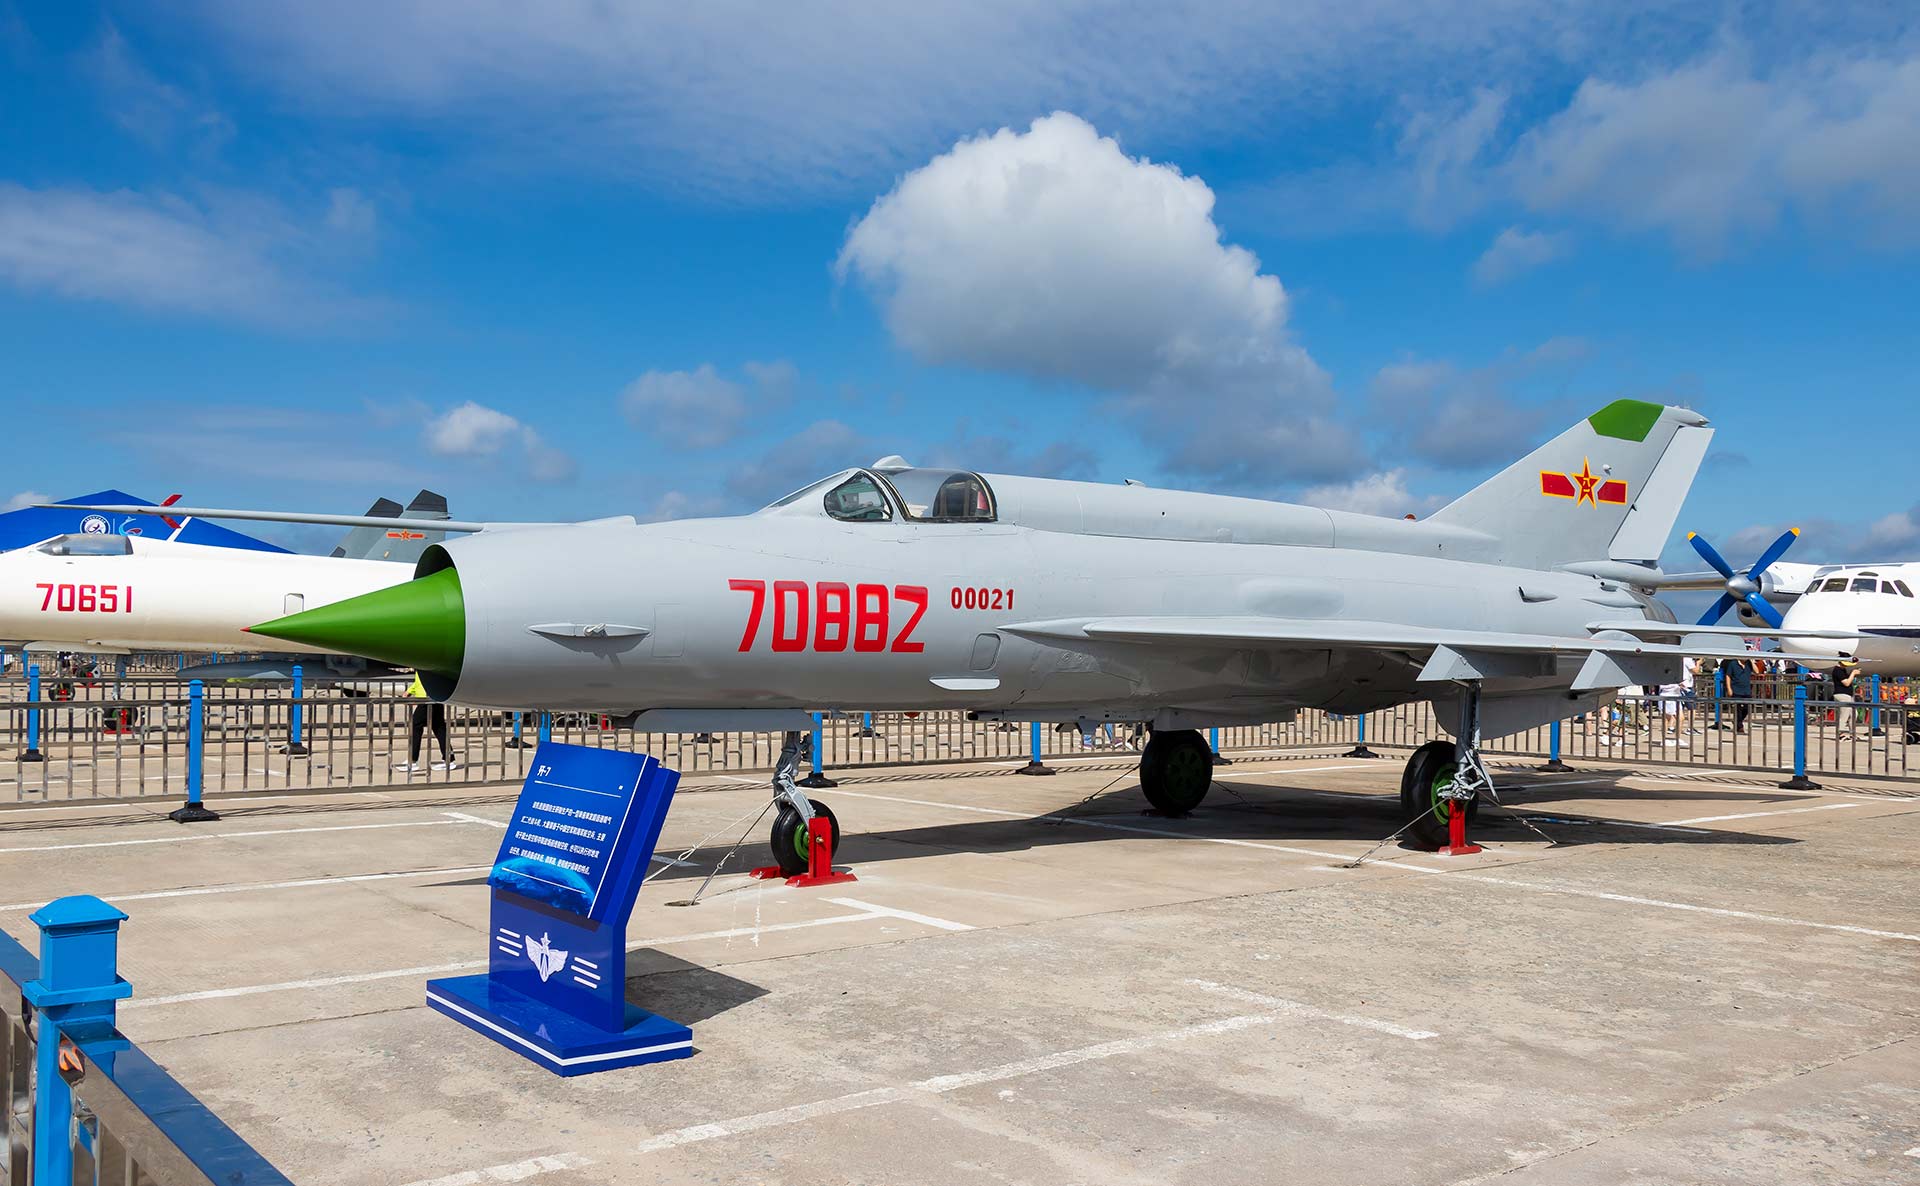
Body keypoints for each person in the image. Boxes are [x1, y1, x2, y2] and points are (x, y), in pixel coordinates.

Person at [397, 673, 458, 772]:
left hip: (427, 699)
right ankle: (449, 760)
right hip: (434, 697)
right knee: (439, 729)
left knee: (415, 726)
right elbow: (420, 681)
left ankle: (412, 760)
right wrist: (409, 691)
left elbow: (426, 679)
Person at [1721, 653, 1754, 734]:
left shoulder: (1748, 664)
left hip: (1746, 690)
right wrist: (1729, 688)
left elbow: (1757, 671)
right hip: (1736, 689)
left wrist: (1752, 662)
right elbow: (1728, 676)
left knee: (1748, 708)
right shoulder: (1733, 664)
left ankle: (1737, 721)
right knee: (1737, 709)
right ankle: (1739, 726)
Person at [1831, 662, 1859, 739]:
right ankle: (1840, 733)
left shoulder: (1843, 670)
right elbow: (1846, 683)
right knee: (1844, 715)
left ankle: (1852, 733)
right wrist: (1853, 674)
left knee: (1853, 714)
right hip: (1842, 695)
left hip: (1848, 695)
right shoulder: (1838, 670)